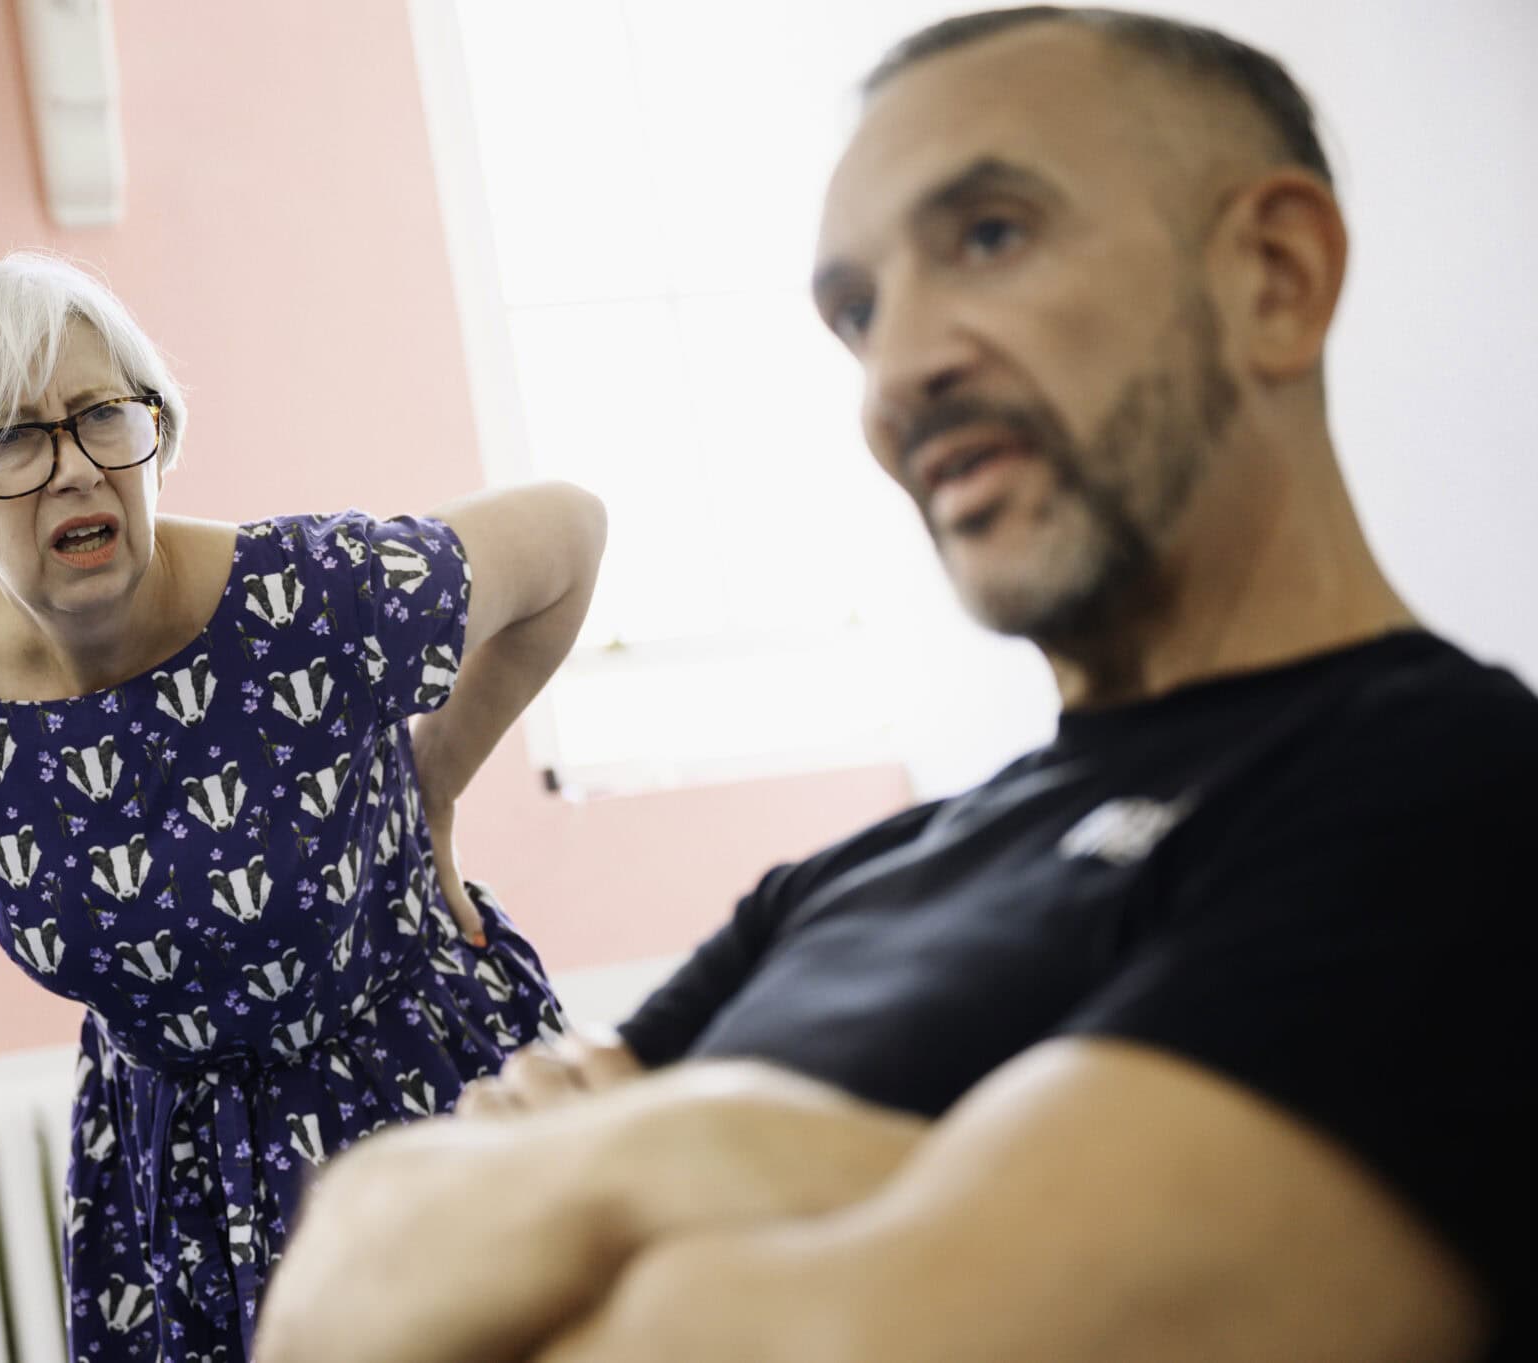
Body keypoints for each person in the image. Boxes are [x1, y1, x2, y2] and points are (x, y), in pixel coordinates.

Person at [255, 8, 1535, 1363]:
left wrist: (670, 1143)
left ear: (1273, 275)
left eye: (990, 235)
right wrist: (795, 1152)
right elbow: (345, 1274)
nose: (900, 374)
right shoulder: (841, 881)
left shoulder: (1453, 794)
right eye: (858, 311)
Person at [0, 252, 605, 1361]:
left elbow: (569, 532)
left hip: (417, 1101)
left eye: (100, 416)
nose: (76, 469)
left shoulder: (308, 598)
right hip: (172, 1173)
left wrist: (434, 787)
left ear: (155, 433)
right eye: (11, 440)